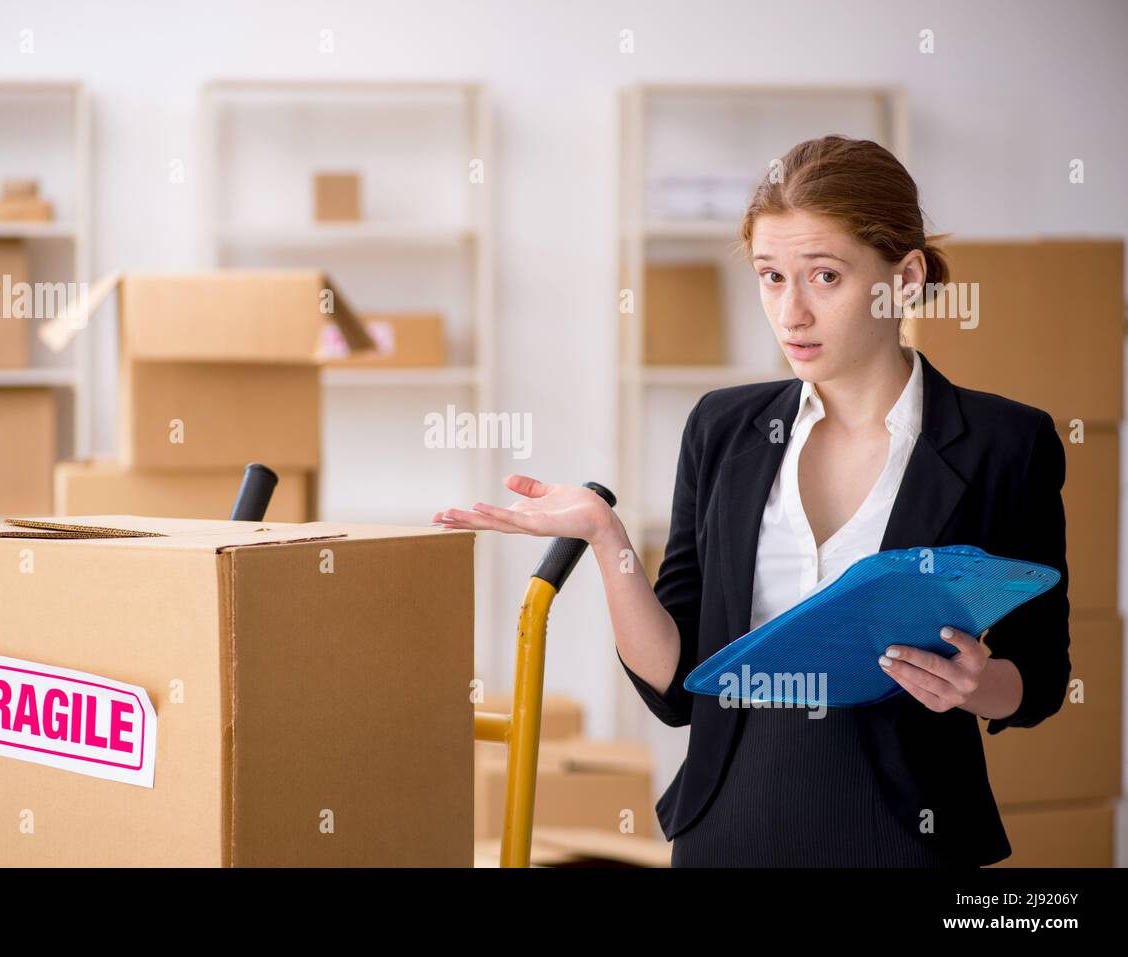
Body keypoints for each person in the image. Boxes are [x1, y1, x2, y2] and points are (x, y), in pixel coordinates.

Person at [432, 135, 1071, 868]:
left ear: (904, 277)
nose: (790, 312)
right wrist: (608, 539)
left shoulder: (1004, 442)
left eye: (824, 276)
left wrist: (974, 683)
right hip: (728, 824)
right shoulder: (723, 426)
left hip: (906, 832)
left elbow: (1040, 676)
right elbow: (675, 682)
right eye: (770, 277)